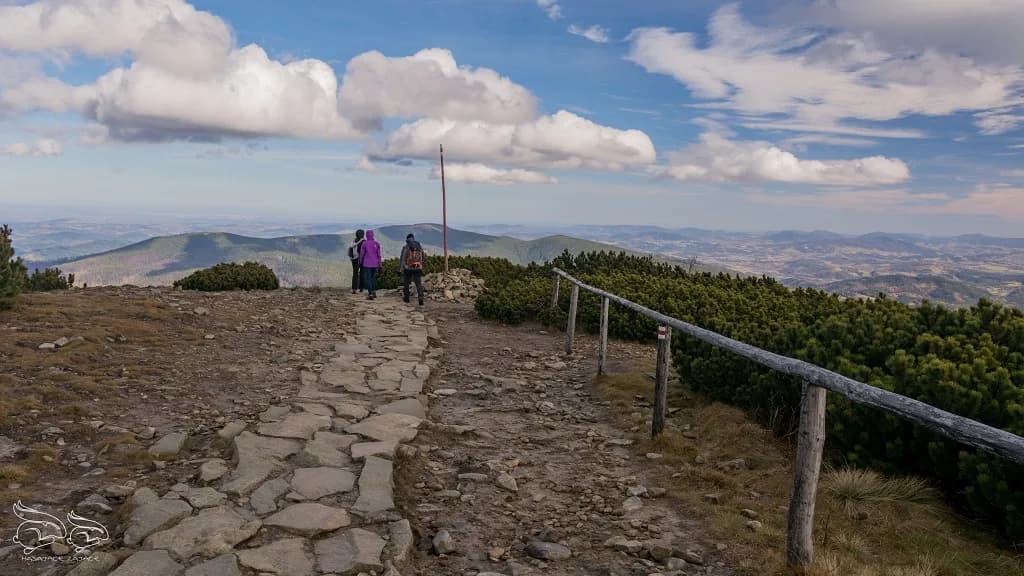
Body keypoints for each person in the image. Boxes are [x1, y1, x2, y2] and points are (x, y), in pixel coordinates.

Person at [399, 233, 425, 305]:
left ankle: (407, 298)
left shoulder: (406, 247)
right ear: (413, 238)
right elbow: (423, 256)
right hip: (418, 267)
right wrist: (421, 265)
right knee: (418, 283)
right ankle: (420, 297)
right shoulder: (419, 246)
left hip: (408, 268)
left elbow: (403, 259)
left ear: (407, 239)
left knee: (406, 283)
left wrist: (401, 269)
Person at [358, 229, 382, 299]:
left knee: (368, 278)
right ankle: (374, 292)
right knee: (373, 278)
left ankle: (370, 293)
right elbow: (379, 255)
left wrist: (360, 262)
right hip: (375, 263)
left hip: (367, 264)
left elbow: (362, 254)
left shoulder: (364, 244)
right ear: (373, 235)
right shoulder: (377, 243)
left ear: (366, 235)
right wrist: (380, 264)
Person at [347, 229, 365, 294]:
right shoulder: (363, 241)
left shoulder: (354, 240)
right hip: (361, 259)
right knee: (362, 273)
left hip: (353, 259)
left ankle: (354, 288)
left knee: (355, 273)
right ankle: (361, 288)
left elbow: (350, 249)